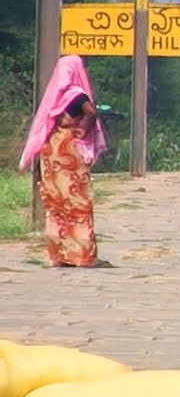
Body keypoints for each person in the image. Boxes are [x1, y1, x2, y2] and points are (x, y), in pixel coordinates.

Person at [19, 55, 112, 268]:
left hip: (51, 151)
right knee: (77, 200)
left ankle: (59, 255)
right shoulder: (76, 94)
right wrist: (84, 127)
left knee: (56, 203)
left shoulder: (55, 97)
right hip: (69, 151)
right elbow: (91, 111)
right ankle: (84, 255)